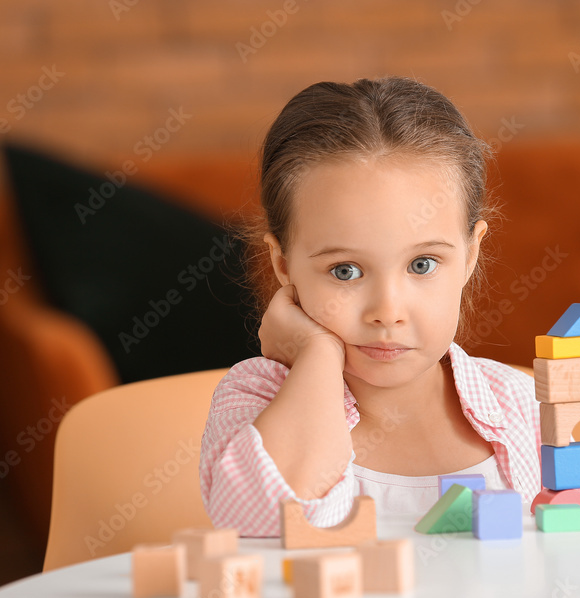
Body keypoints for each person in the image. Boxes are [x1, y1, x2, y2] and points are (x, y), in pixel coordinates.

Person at [199, 75, 541, 537]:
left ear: (470, 255)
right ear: (283, 264)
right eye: (346, 271)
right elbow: (264, 523)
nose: (387, 310)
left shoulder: (516, 402)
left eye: (422, 264)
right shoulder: (254, 400)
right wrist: (317, 354)